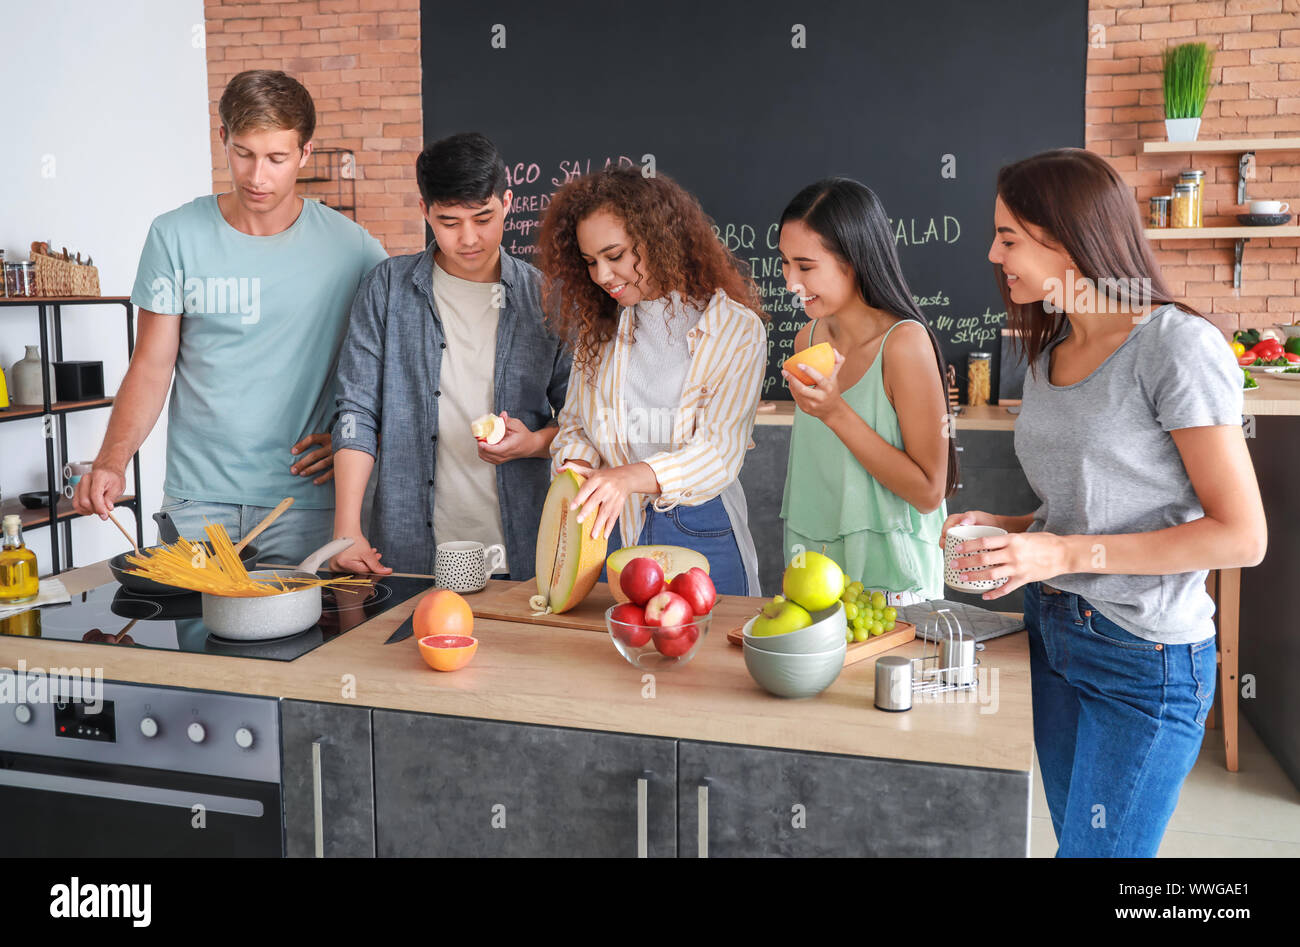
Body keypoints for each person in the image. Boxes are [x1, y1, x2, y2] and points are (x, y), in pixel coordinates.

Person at [944, 147, 1266, 857]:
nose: (993, 252)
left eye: (1010, 236)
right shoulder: (1047, 346)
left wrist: (1057, 550)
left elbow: (1241, 536)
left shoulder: (1175, 347)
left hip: (1142, 655)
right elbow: (1095, 502)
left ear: (1069, 235)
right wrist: (1016, 529)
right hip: (1053, 629)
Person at [74, 70, 388, 564]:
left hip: (308, 504)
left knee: (313, 641)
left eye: (276, 158)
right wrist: (112, 461)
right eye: (243, 153)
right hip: (197, 502)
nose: (257, 176)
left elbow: (395, 364)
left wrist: (360, 434)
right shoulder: (173, 236)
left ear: (305, 153)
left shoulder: (356, 250)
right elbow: (152, 366)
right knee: (196, 641)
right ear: (223, 139)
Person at [330, 132, 570, 577]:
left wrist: (534, 443)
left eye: (484, 218)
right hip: (410, 552)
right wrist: (347, 531)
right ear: (425, 211)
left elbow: (585, 423)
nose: (469, 239)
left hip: (522, 550)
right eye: (449, 222)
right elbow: (357, 410)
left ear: (508, 202)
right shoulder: (386, 288)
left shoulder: (547, 299)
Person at [539, 167, 767, 596]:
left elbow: (719, 454)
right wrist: (578, 465)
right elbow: (574, 425)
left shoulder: (737, 330)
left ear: (658, 238)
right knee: (614, 657)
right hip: (611, 526)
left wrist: (626, 477)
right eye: (590, 262)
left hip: (701, 524)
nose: (602, 276)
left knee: (712, 658)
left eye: (616, 255)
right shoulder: (599, 330)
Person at [777, 178, 954, 605]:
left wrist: (835, 412)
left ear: (852, 261)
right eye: (784, 263)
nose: (790, 283)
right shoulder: (808, 340)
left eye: (805, 266)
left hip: (894, 583)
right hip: (814, 567)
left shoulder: (904, 343)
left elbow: (930, 491)